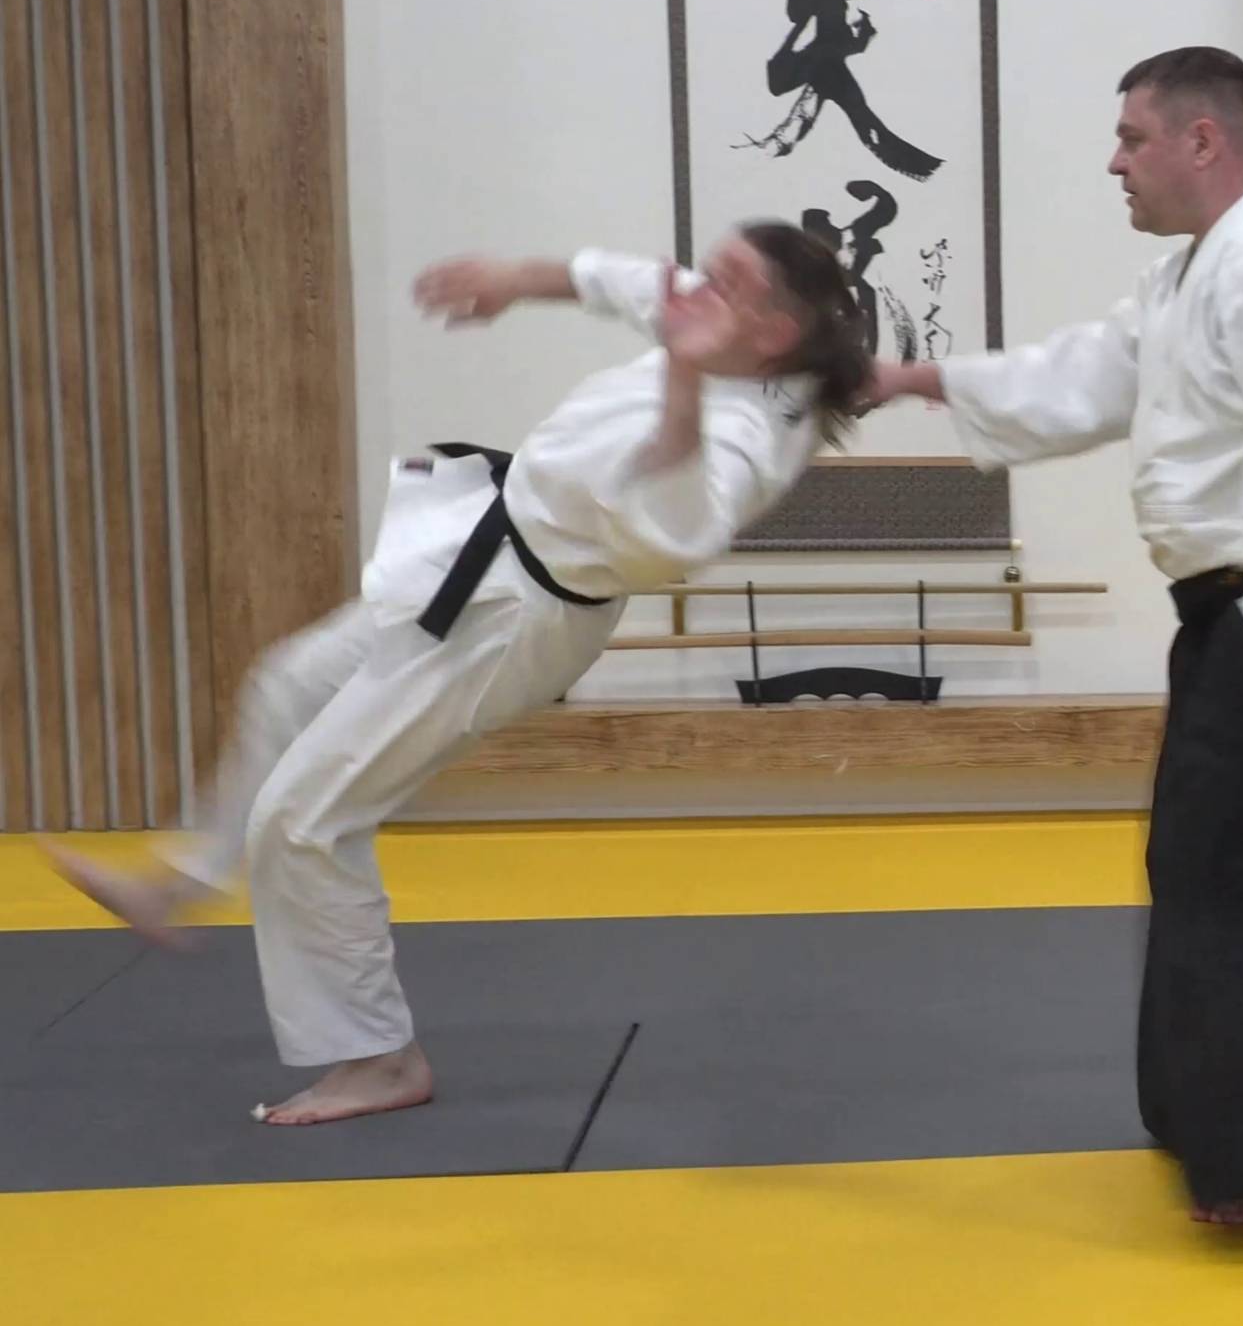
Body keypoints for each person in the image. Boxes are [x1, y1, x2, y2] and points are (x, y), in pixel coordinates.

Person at [43, 223, 868, 1125]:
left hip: (516, 619)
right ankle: (180, 881)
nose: (694, 285)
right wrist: (513, 276)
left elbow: (668, 538)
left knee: (307, 820)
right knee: (290, 684)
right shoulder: (719, 321)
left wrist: (679, 366)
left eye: (725, 282)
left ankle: (379, 1058)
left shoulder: (750, 434)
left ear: (773, 332)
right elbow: (615, 276)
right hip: (482, 553)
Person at [862, 46, 1243, 1227]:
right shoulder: (1185, 277)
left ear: (1202, 140)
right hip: (1238, 617)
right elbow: (1077, 379)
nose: (1115, 162)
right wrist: (908, 379)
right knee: (1217, 870)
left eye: (1132, 137)